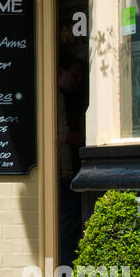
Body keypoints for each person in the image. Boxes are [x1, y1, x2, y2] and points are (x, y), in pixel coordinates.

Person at [57, 55, 87, 265]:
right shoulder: (54, 98)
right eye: (74, 75)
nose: (78, 80)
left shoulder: (68, 98)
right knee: (68, 228)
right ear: (60, 71)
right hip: (61, 173)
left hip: (68, 172)